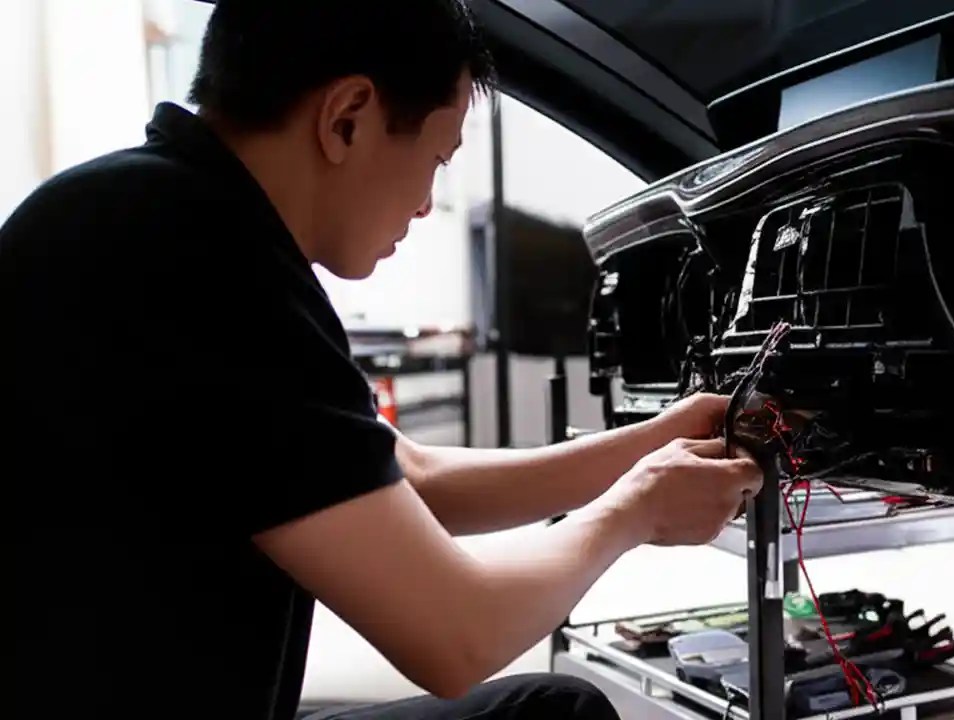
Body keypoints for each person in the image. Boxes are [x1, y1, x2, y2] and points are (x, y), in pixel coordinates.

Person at [0, 1, 762, 719]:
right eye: (436, 157)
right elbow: (457, 635)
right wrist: (634, 514)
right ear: (347, 117)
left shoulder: (151, 213)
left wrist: (652, 442)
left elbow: (406, 478)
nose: (428, 202)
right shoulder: (198, 256)